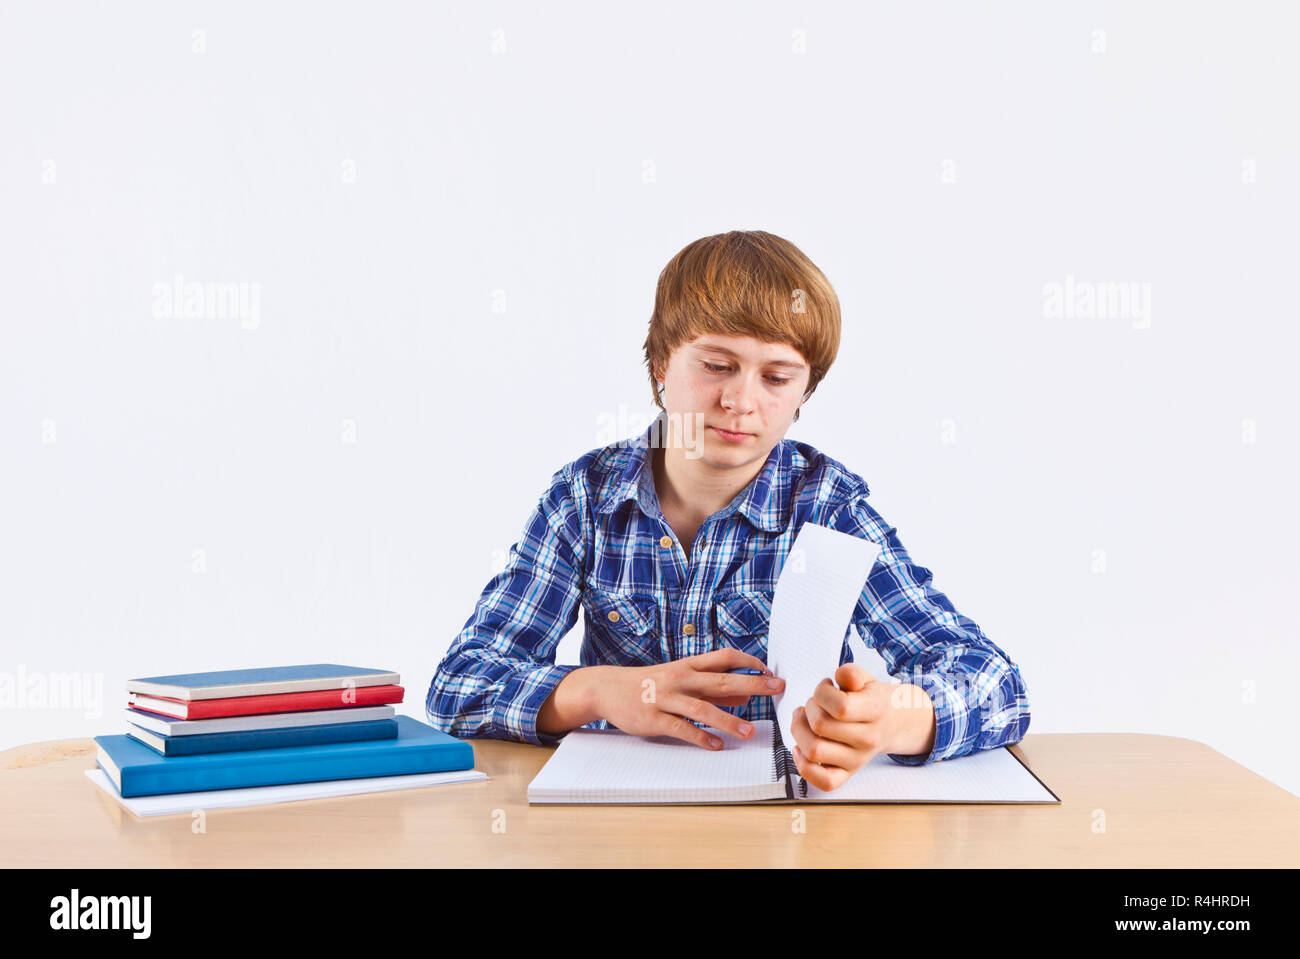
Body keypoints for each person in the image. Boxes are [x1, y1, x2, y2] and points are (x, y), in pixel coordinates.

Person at [427, 230, 1031, 792]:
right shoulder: (583, 498)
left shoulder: (825, 505)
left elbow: (994, 682)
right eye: (717, 366)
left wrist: (895, 721)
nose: (741, 402)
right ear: (662, 364)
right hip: (616, 822)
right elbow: (460, 685)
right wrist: (600, 692)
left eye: (776, 377)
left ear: (803, 395)